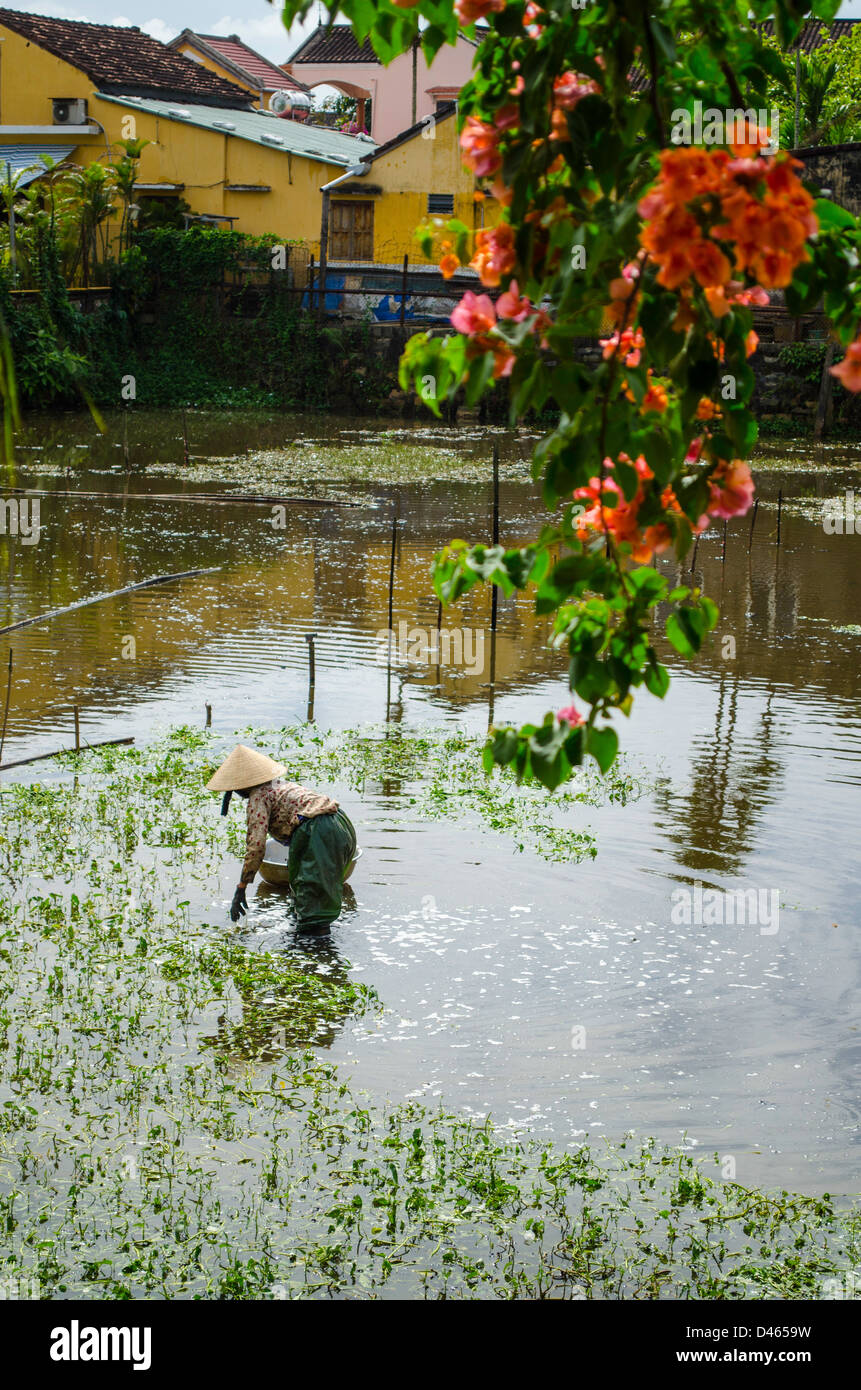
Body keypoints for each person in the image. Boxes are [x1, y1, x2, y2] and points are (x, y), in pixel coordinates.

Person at [205, 745, 357, 930]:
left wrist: (242, 887)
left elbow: (256, 846)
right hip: (341, 823)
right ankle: (315, 948)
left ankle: (312, 950)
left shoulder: (258, 797)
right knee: (312, 897)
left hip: (318, 831)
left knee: (312, 914)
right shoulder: (281, 786)